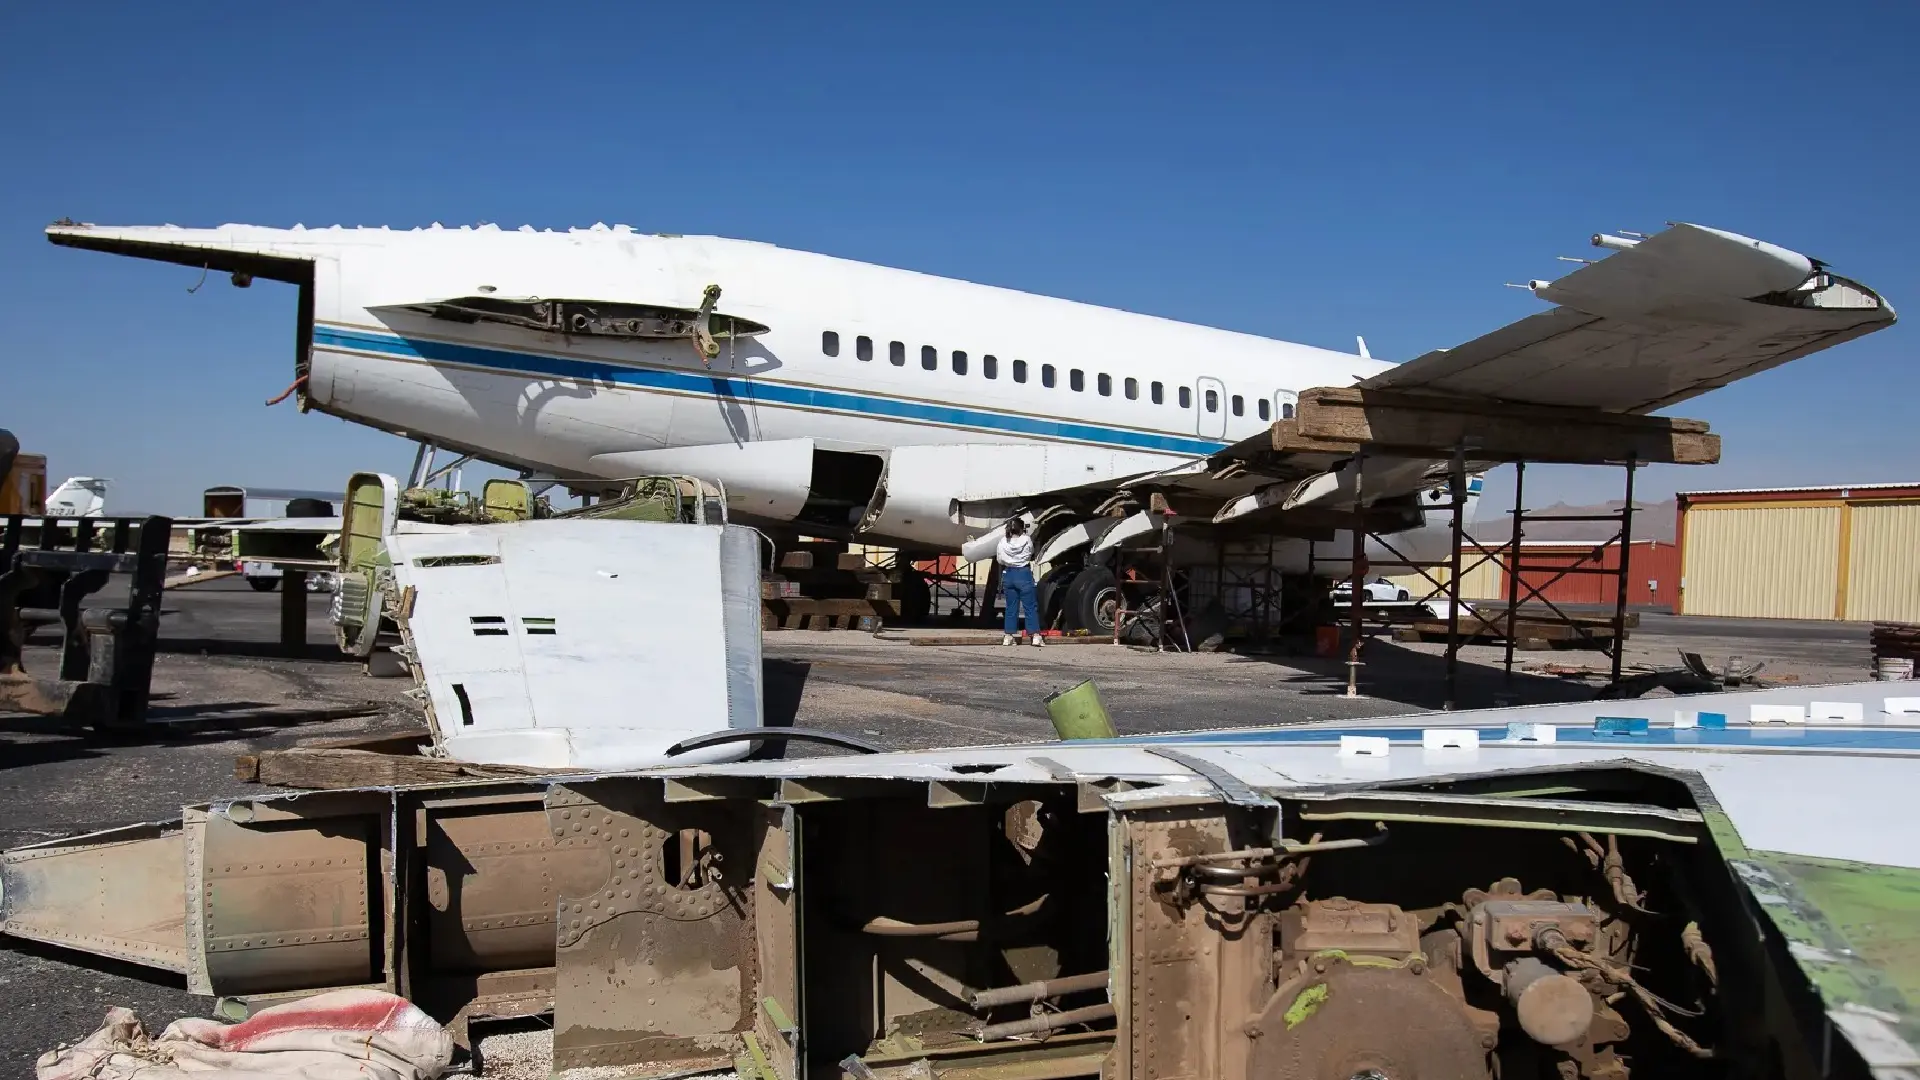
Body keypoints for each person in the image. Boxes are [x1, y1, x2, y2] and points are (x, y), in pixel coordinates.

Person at [997, 518, 1042, 646]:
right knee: (1030, 606)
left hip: (1009, 574)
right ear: (1021, 528)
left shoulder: (1002, 542)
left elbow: (1000, 560)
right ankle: (1035, 636)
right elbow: (1031, 553)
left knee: (1011, 607)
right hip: (1023, 573)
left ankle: (1008, 636)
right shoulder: (1026, 540)